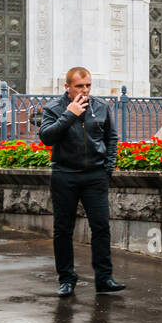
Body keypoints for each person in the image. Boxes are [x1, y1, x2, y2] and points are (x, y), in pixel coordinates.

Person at [38, 67, 124, 297]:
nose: (84, 90)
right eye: (79, 86)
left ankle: (104, 278)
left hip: (94, 176)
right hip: (65, 175)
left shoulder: (101, 106)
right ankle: (66, 279)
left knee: (101, 227)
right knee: (63, 230)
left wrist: (108, 167)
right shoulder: (54, 108)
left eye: (88, 86)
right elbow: (46, 137)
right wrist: (70, 114)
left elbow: (111, 137)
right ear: (67, 87)